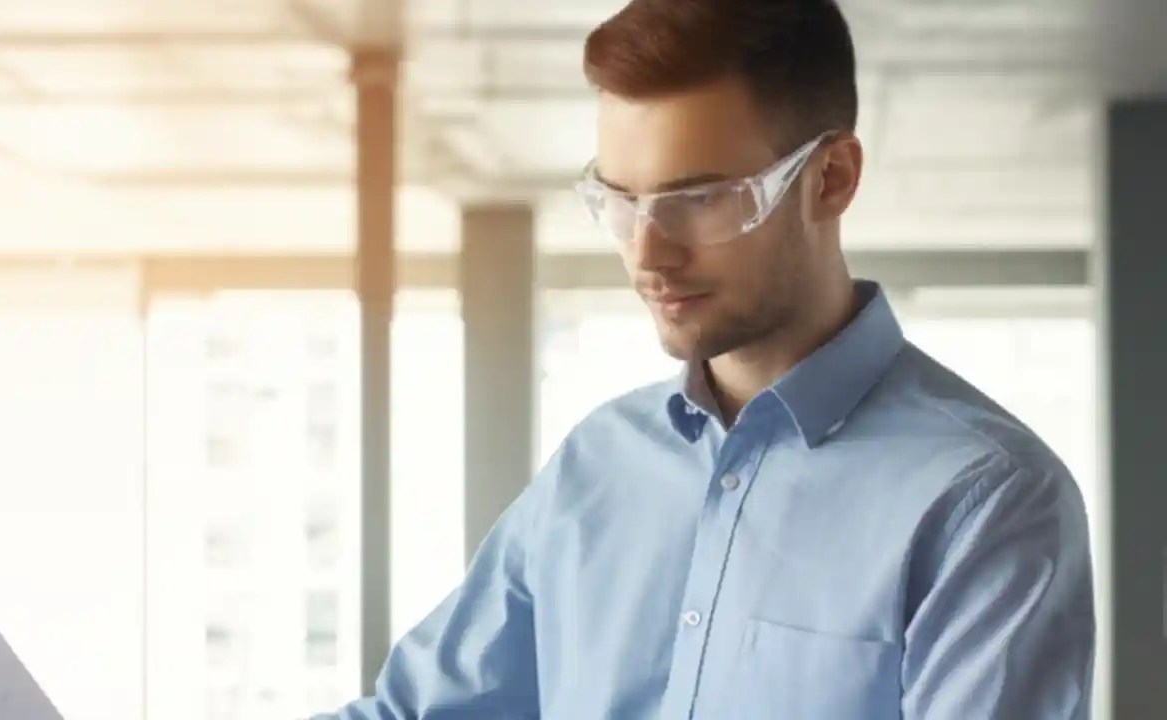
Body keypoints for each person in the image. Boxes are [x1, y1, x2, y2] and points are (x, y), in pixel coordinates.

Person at [316, 0, 1095, 717]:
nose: (647, 253)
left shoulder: (985, 502)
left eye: (699, 199)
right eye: (620, 201)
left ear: (832, 178)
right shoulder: (598, 467)